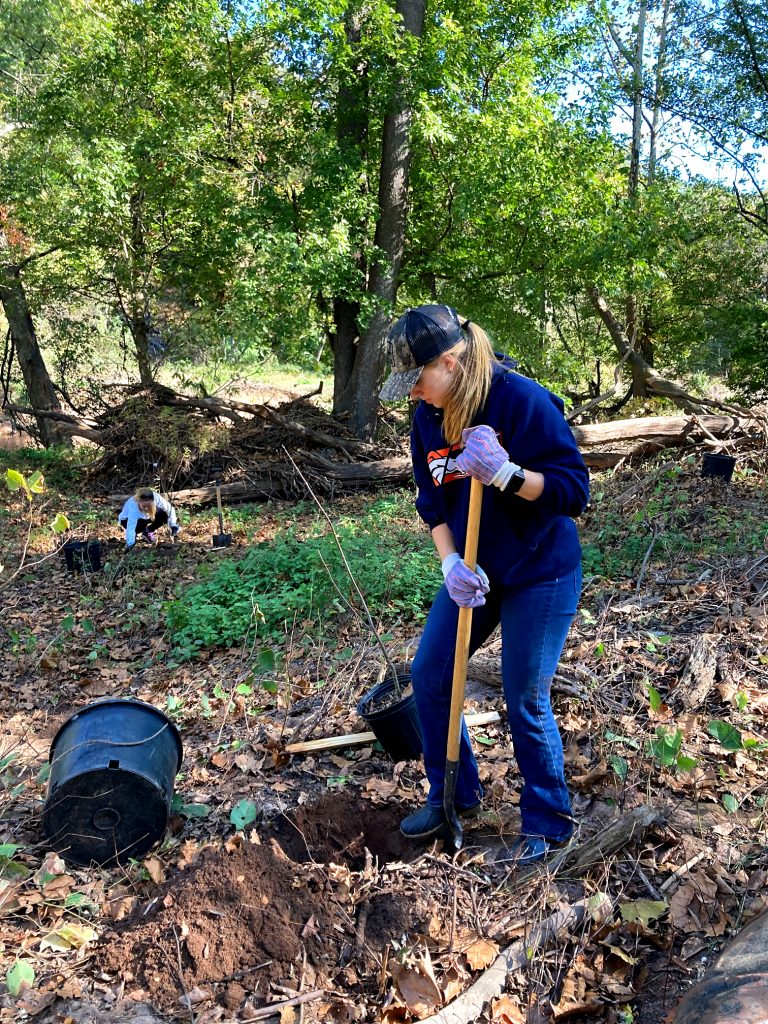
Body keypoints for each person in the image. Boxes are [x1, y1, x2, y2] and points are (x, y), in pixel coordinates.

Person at [379, 304, 590, 864]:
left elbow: (574, 491)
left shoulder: (521, 400)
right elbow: (434, 507)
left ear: (450, 361)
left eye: (418, 380)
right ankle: (454, 794)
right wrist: (451, 565)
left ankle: (547, 820)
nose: (413, 394)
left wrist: (507, 475)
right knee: (430, 674)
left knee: (523, 694)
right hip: (477, 570)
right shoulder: (428, 417)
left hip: (541, 570)